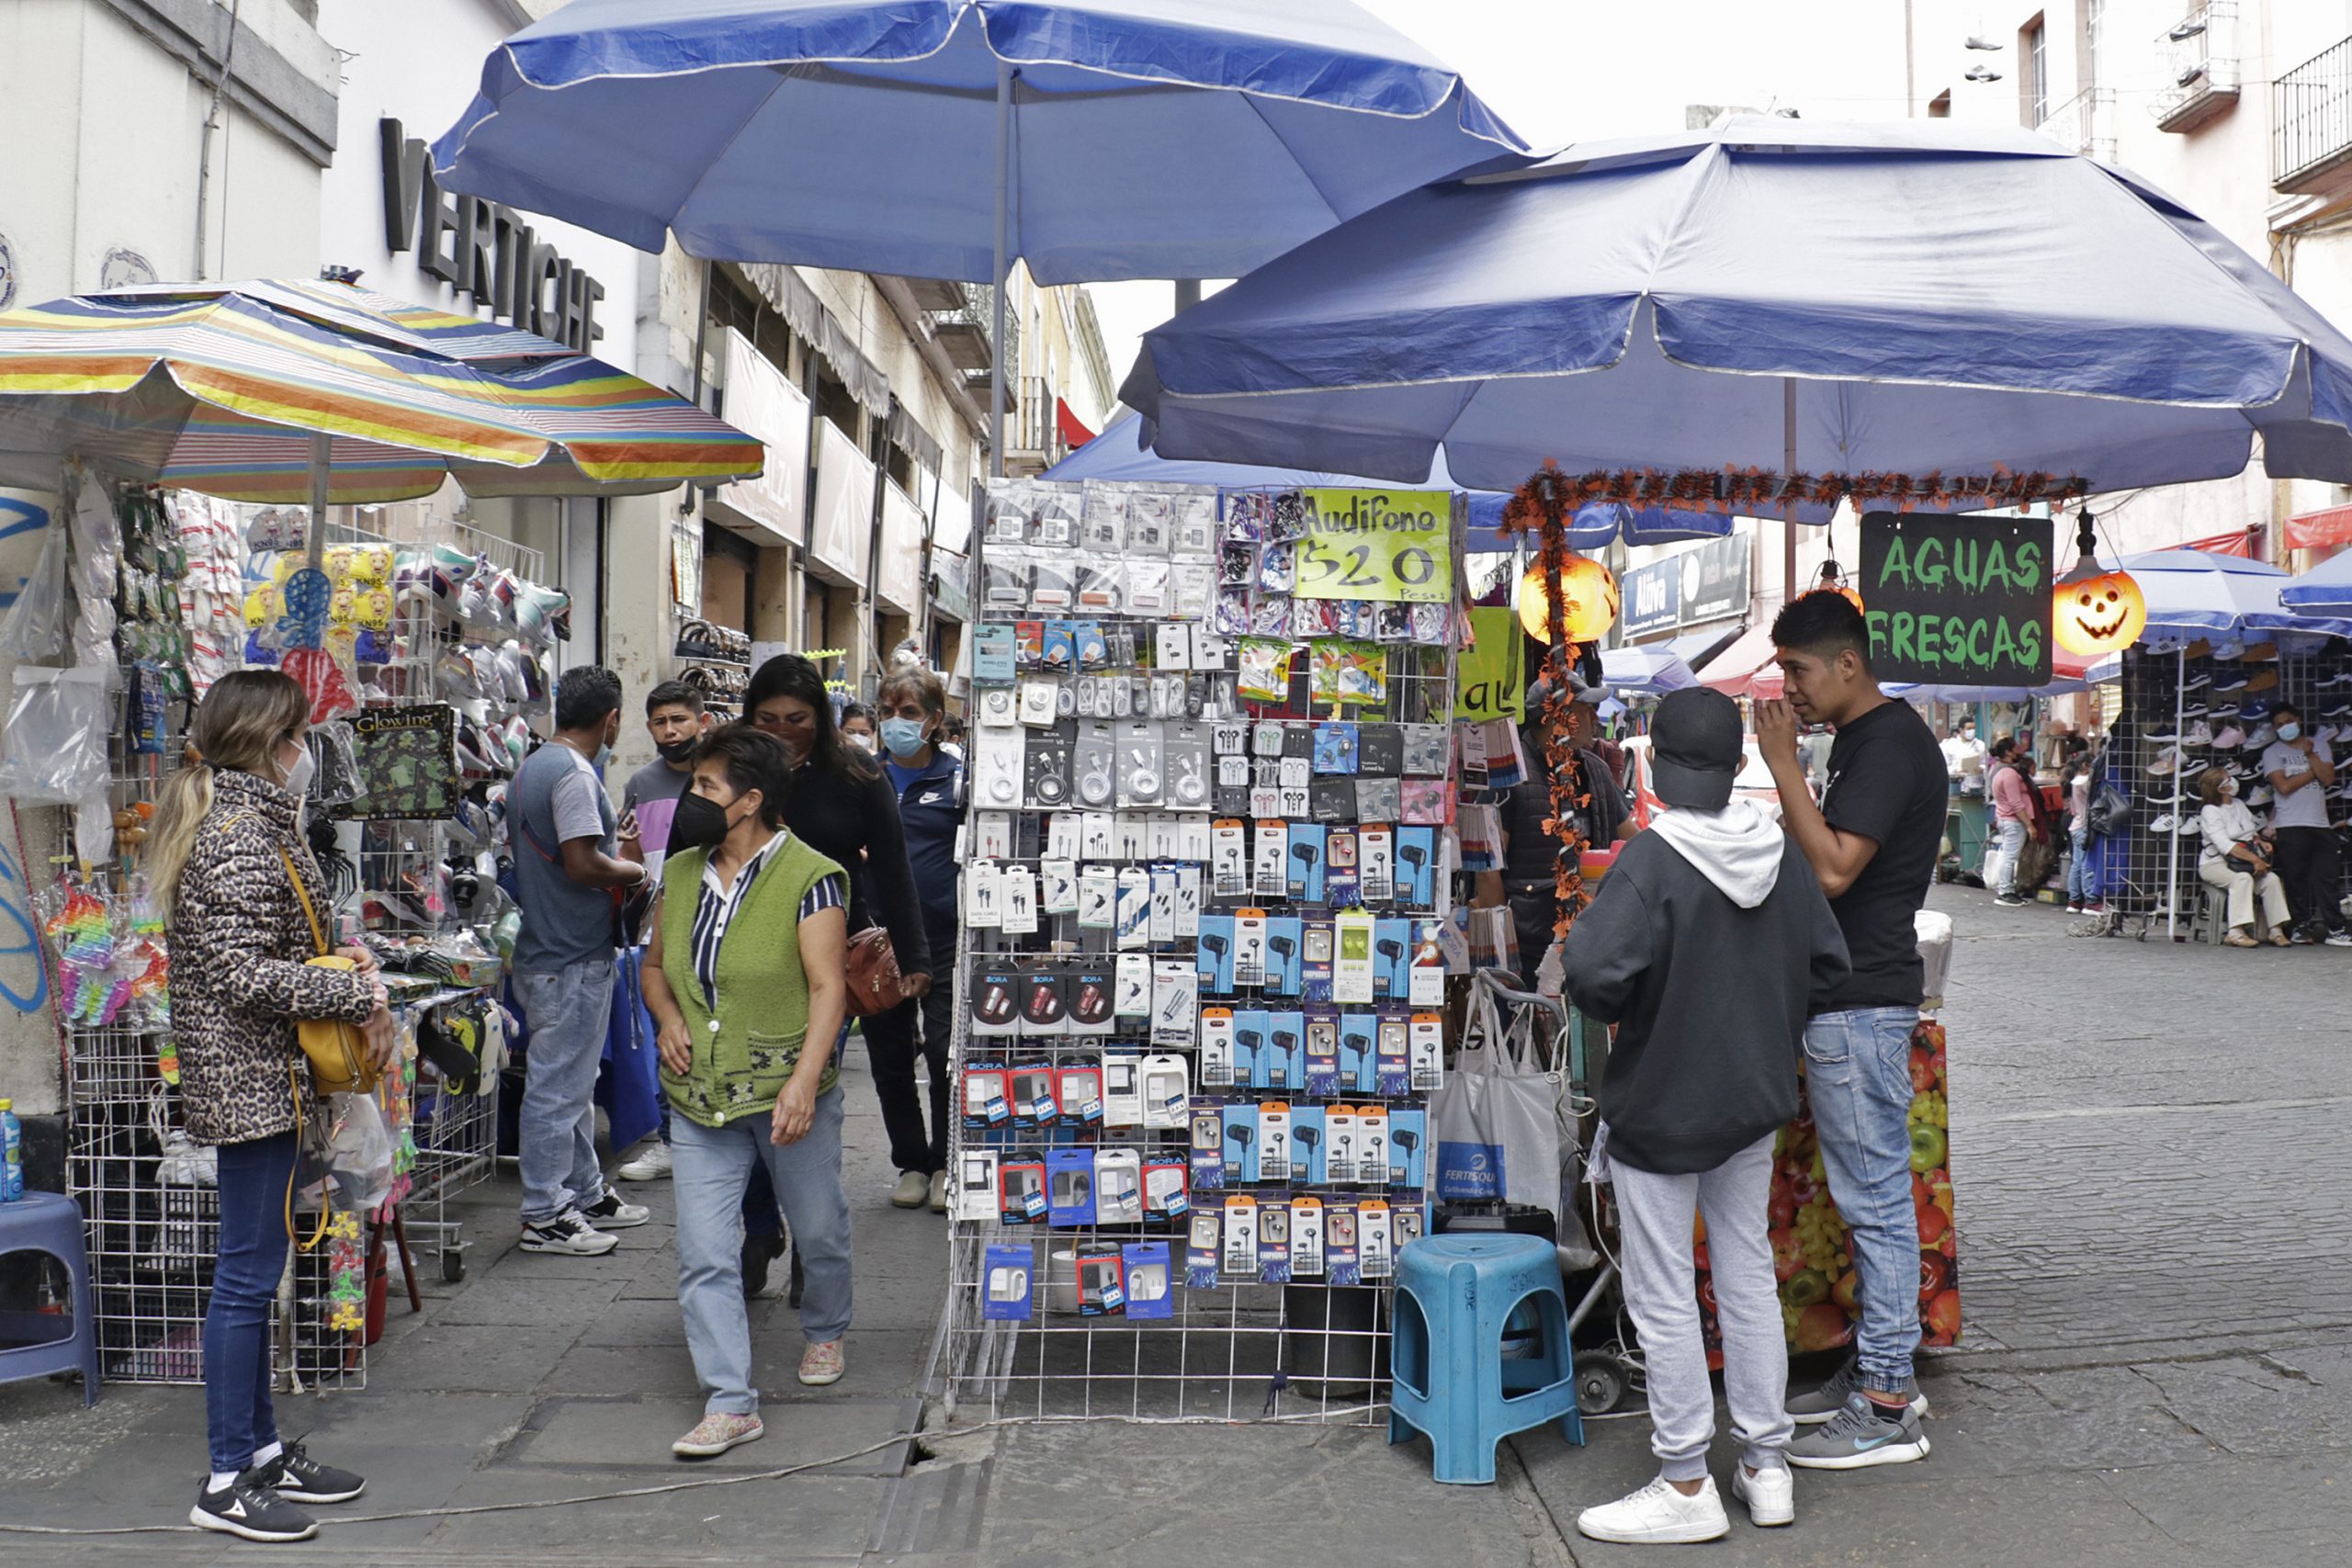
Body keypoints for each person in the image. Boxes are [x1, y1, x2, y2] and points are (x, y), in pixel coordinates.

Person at [1563, 688, 1850, 1544]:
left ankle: (1686, 1479)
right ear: (1736, 764)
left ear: (1655, 764)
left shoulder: (1652, 858)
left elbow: (1592, 974)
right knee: (1747, 1274)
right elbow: (1828, 966)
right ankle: (1767, 1465)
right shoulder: (1779, 852)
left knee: (1663, 1294)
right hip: (1751, 1101)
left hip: (1661, 1104)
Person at [153, 671, 391, 1541]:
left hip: (271, 1079)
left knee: (256, 1275)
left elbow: (270, 948)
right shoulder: (236, 834)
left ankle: (258, 1452)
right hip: (249, 1084)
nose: (305, 751)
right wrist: (354, 992)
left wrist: (340, 963)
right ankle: (226, 1478)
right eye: (297, 736)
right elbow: (240, 972)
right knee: (246, 1280)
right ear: (268, 744)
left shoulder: (255, 820)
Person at [1755, 590, 1943, 1470]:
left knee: (1876, 1203)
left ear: (1847, 663)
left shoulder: (1889, 743)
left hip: (1861, 1002)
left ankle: (1887, 1401)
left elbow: (1834, 869)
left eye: (1797, 669)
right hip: (1848, 999)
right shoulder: (1866, 741)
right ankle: (1877, 1365)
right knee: (1868, 1198)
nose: (1788, 687)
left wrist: (1781, 765)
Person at [641, 724, 855, 1457]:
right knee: (704, 1252)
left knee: (818, 1227)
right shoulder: (680, 873)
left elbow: (828, 988)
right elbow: (652, 968)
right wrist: (669, 1017)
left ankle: (826, 1326)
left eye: (707, 786)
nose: (692, 798)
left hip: (786, 1091)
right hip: (699, 1096)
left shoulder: (812, 876)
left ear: (752, 800)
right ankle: (730, 1400)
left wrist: (804, 1083)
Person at [740, 654, 932, 1292]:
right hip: (743, 966)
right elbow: (691, 848)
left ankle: (808, 1239)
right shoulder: (731, 767)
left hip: (833, 967)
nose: (782, 731)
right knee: (748, 1107)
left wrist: (914, 959)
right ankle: (760, 1225)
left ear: (819, 718)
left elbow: (895, 867)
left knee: (811, 1103)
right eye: (768, 718)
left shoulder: (856, 772)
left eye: (796, 719)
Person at [509, 666, 651, 1257]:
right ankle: (545, 1213)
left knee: (571, 1083)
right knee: (558, 1091)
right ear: (611, 720)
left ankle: (585, 1191)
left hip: (553, 952)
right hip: (568, 956)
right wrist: (636, 870)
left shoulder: (535, 765)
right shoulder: (571, 773)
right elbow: (582, 864)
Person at [870, 665, 964, 1213]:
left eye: (908, 713)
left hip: (943, 939)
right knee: (890, 1057)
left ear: (933, 720)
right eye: (887, 712)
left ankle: (946, 1161)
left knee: (944, 1051)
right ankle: (911, 1162)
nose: (895, 722)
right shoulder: (865, 778)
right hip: (877, 945)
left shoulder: (958, 780)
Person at [613, 681, 714, 1183]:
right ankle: (674, 1142)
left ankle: (720, 1138)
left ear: (702, 721)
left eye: (679, 720)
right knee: (667, 1038)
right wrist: (626, 848)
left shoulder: (720, 776)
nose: (671, 731)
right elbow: (634, 860)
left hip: (716, 927)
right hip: (660, 930)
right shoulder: (641, 783)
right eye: (660, 722)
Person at [1499, 673, 1630, 983]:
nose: (1594, 718)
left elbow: (1634, 842)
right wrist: (1503, 954)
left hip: (1588, 941)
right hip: (1528, 946)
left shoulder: (1595, 770)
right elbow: (1489, 870)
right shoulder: (1511, 775)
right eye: (1585, 709)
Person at [2260, 704, 2350, 945]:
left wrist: (2311, 756)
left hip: (2320, 823)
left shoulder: (2318, 745)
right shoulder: (2271, 752)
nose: (2285, 727)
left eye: (2288, 721)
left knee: (2327, 878)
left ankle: (2335, 928)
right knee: (2295, 878)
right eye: (2279, 725)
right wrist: (2314, 769)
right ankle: (2299, 926)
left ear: (2298, 720)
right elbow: (2283, 786)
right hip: (2289, 823)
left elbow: (2328, 779)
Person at [2196, 765, 2290, 948]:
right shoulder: (2210, 811)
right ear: (2221, 788)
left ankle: (2276, 930)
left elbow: (2249, 832)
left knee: (2271, 879)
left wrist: (2259, 841)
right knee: (2242, 879)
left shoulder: (2238, 804)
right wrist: (2255, 860)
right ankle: (2236, 932)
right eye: (2228, 778)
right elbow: (2225, 845)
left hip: (2244, 860)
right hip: (2215, 863)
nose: (2233, 780)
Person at [1983, 737, 2038, 908]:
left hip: (2006, 818)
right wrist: (2029, 825)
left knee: (2009, 855)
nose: (2020, 750)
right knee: (2009, 857)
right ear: (2008, 752)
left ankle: (2007, 889)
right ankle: (2005, 891)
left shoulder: (1998, 770)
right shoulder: (2009, 774)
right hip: (2012, 821)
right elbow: (2015, 803)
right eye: (2017, 748)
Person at [2063, 754, 2097, 914]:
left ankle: (2074, 900)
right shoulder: (2085, 782)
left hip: (2075, 824)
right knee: (2086, 864)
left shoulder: (2075, 781)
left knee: (2076, 864)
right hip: (2083, 825)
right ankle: (2090, 900)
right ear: (2085, 765)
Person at [1939, 718, 1984, 794]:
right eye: (1969, 728)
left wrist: (1982, 769)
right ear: (1961, 730)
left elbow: (1987, 764)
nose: (1972, 731)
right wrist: (1956, 771)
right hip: (1956, 788)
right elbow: (1942, 768)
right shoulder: (1949, 745)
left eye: (1973, 728)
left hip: (1976, 788)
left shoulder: (1980, 745)